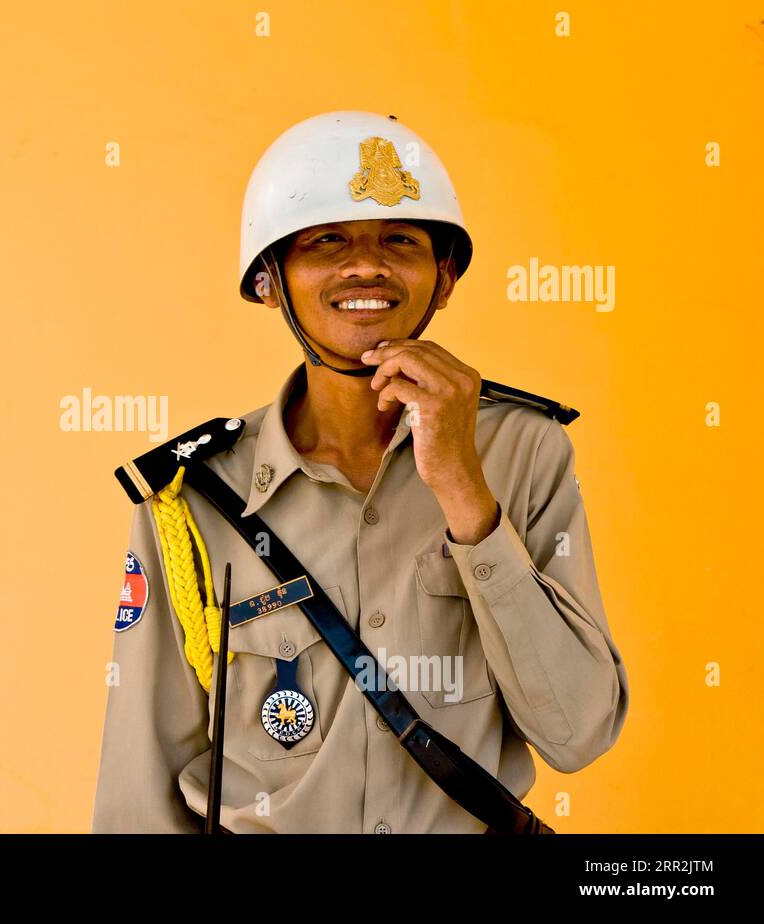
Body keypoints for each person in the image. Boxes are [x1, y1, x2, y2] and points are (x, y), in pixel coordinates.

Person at [91, 110, 629, 834]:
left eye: (399, 241)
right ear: (269, 282)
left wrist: (466, 491)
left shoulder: (524, 452)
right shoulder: (193, 495)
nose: (367, 266)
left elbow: (578, 732)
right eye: (327, 242)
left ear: (443, 278)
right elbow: (140, 780)